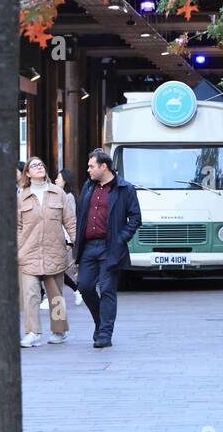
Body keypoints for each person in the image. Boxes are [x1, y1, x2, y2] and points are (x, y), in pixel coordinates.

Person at [73, 148, 142, 348]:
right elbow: (81, 214)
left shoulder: (124, 188)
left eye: (91, 166)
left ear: (104, 167)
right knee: (84, 287)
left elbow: (135, 218)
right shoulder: (88, 186)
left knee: (107, 289)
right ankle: (99, 321)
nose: (88, 170)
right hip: (89, 247)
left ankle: (105, 333)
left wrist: (121, 238)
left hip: (110, 247)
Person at [18, 156, 76, 347]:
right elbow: (16, 226)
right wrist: (17, 249)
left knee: (56, 297)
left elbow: (70, 221)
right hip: (28, 253)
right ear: (27, 173)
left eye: (41, 164)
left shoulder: (58, 193)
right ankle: (32, 332)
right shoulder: (22, 197)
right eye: (34, 166)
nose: (39, 167)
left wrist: (75, 245)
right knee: (31, 295)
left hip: (54, 252)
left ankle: (59, 331)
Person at [55, 167, 83, 305]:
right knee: (55, 270)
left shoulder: (68, 197)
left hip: (64, 240)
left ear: (65, 181)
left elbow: (70, 220)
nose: (55, 180)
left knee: (56, 270)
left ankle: (52, 298)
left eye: (58, 178)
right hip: (59, 238)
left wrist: (69, 242)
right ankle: (76, 290)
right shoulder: (61, 195)